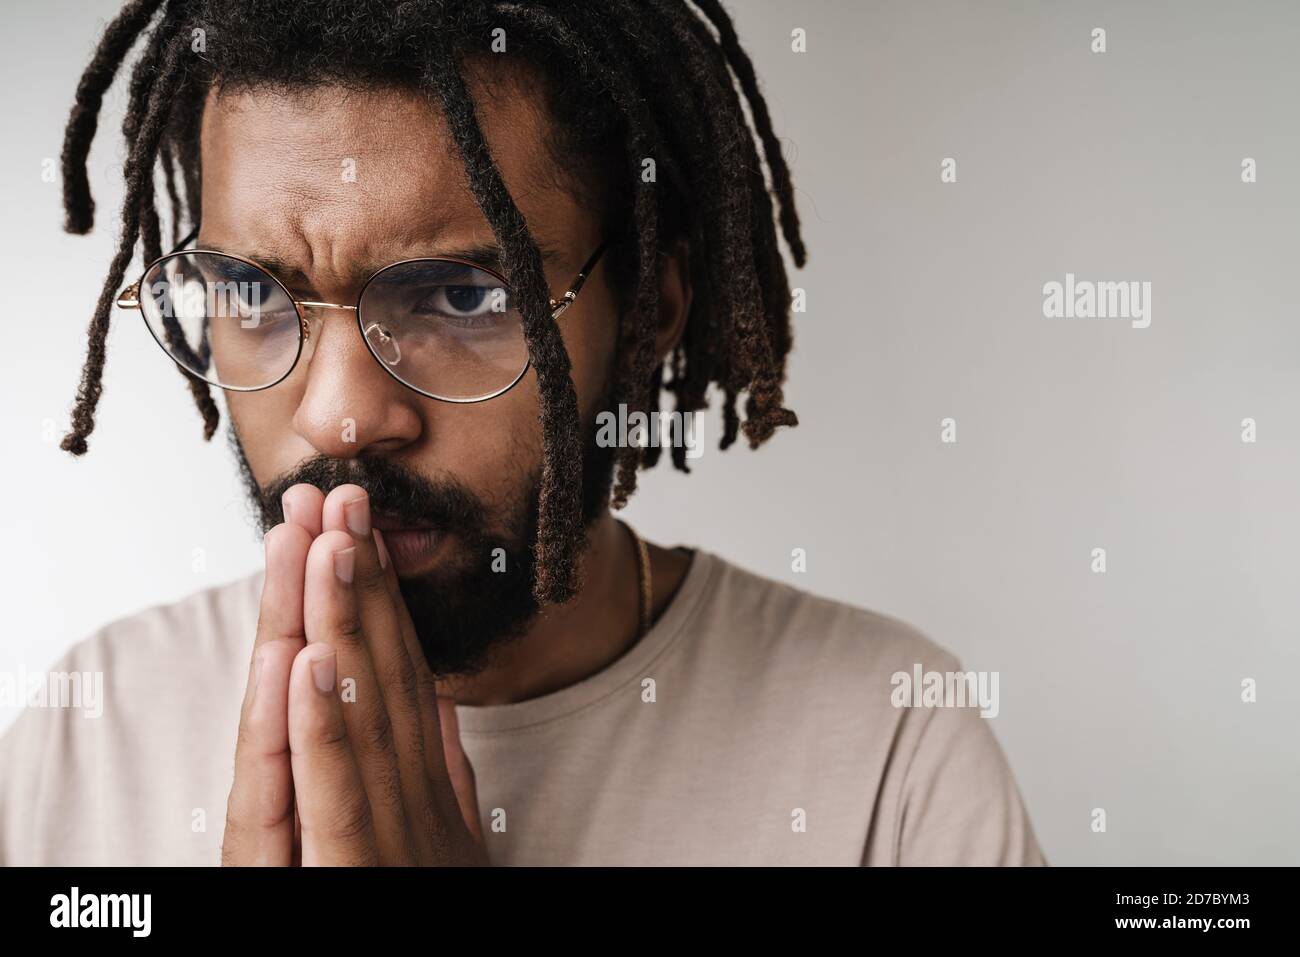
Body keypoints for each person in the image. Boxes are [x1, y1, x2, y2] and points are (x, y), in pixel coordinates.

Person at [0, 0, 1044, 866]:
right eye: (253, 293)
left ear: (647, 315)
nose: (338, 416)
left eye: (458, 298)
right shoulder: (93, 732)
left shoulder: (887, 748)